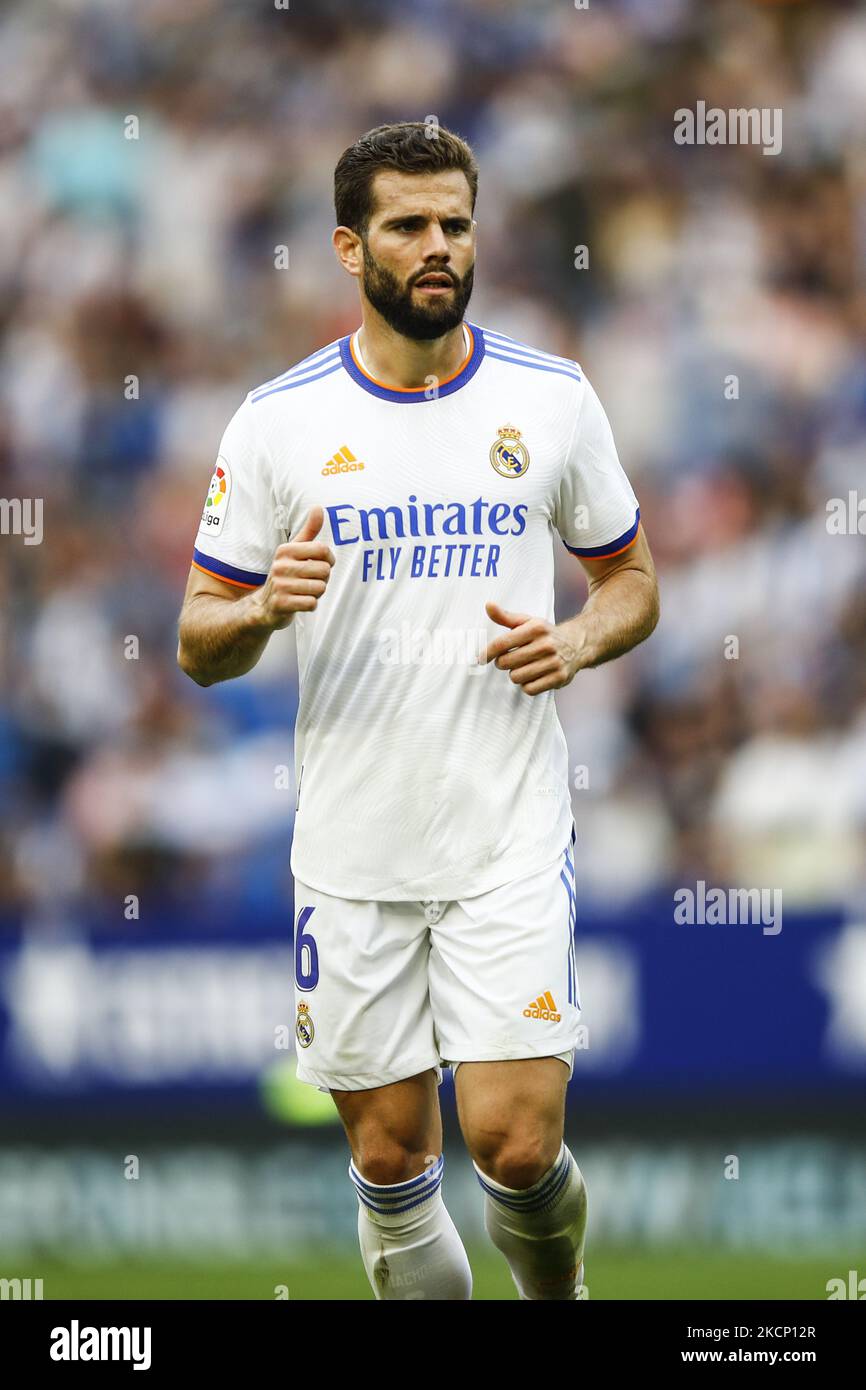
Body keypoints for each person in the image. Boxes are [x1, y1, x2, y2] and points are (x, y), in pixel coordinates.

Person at [177, 121, 659, 1300]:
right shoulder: (278, 421)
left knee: (516, 1144)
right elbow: (197, 639)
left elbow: (632, 581)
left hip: (503, 833)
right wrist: (259, 613)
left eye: (453, 222)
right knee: (392, 1159)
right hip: (350, 850)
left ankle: (559, 1292)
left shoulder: (549, 398)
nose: (436, 245)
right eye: (407, 225)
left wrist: (579, 639)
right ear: (350, 247)